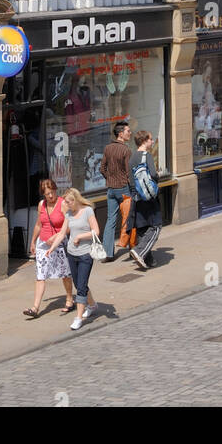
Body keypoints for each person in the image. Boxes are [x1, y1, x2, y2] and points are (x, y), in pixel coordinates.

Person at [44, 187, 100, 330]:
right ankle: (92, 305)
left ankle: (78, 318)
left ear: (75, 200)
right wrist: (52, 248)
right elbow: (62, 233)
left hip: (85, 254)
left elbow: (96, 232)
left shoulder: (87, 211)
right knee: (78, 283)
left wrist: (81, 236)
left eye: (68, 202)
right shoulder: (69, 214)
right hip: (72, 254)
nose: (66, 206)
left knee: (80, 287)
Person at [24, 179, 75, 318]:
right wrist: (33, 241)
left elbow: (69, 227)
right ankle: (35, 308)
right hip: (43, 244)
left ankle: (69, 299)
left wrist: (57, 235)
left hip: (60, 244)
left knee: (65, 274)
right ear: (43, 195)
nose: (51, 196)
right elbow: (39, 225)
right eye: (47, 194)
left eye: (52, 192)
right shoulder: (42, 205)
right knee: (40, 275)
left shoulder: (63, 204)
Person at [128, 129, 161, 269]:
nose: (152, 142)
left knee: (142, 228)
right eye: (150, 139)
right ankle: (139, 251)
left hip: (136, 197)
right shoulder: (146, 155)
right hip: (149, 198)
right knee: (156, 226)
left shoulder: (132, 158)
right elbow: (153, 174)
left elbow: (130, 180)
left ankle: (149, 260)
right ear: (144, 141)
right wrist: (157, 176)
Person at [101, 119, 132, 261]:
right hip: (124, 188)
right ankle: (133, 248)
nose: (130, 133)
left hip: (111, 189)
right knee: (129, 218)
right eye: (128, 131)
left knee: (110, 220)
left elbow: (102, 168)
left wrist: (109, 179)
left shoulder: (108, 148)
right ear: (120, 134)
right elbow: (128, 172)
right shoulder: (126, 150)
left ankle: (108, 253)